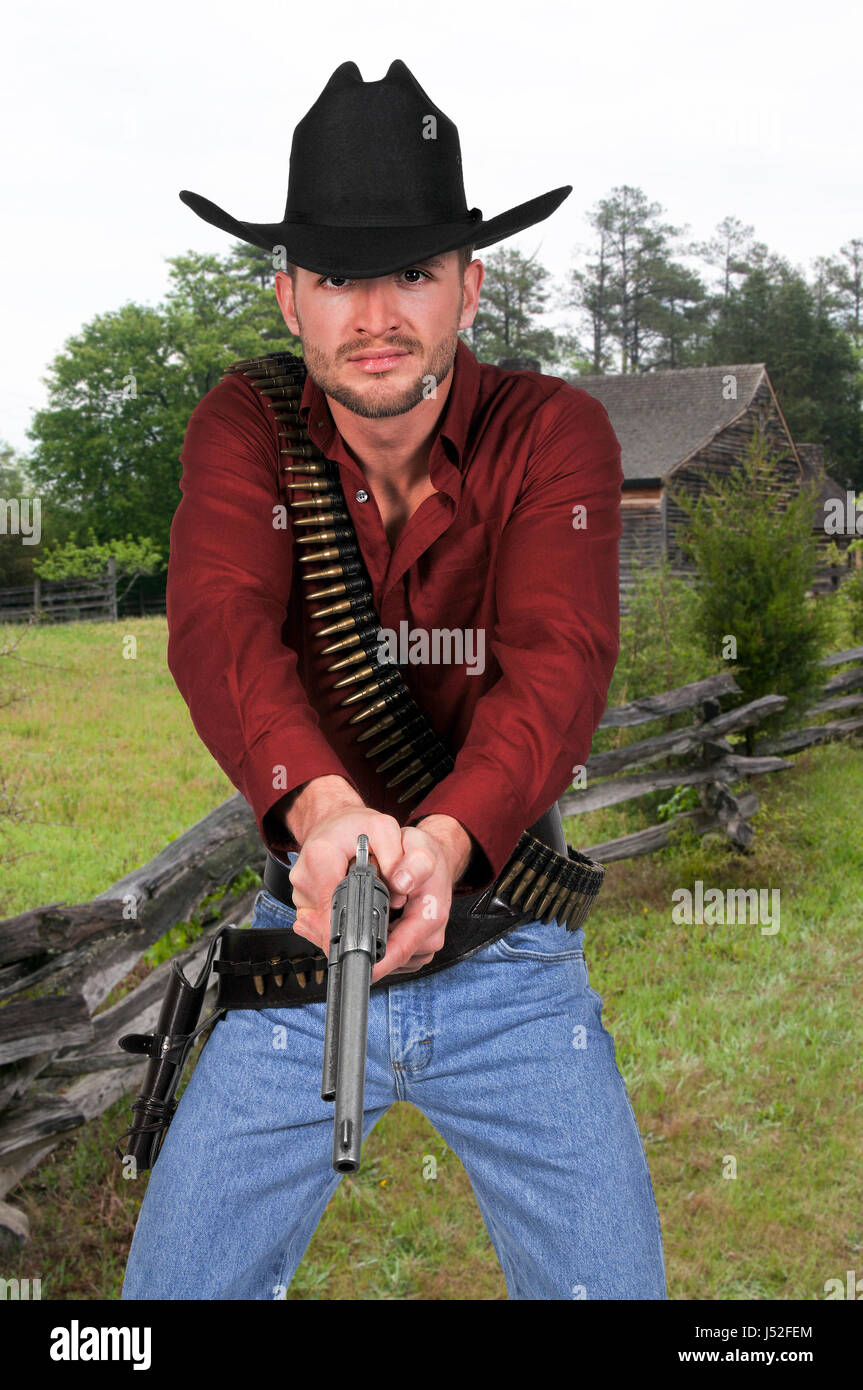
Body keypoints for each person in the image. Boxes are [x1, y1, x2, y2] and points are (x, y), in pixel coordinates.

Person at [121, 58, 666, 1301]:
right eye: (335, 277)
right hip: (300, 946)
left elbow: (556, 664)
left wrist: (446, 839)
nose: (374, 315)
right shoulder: (243, 426)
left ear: (470, 287)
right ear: (286, 298)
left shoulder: (553, 430)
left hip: (511, 960)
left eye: (413, 271)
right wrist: (322, 817)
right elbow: (219, 626)